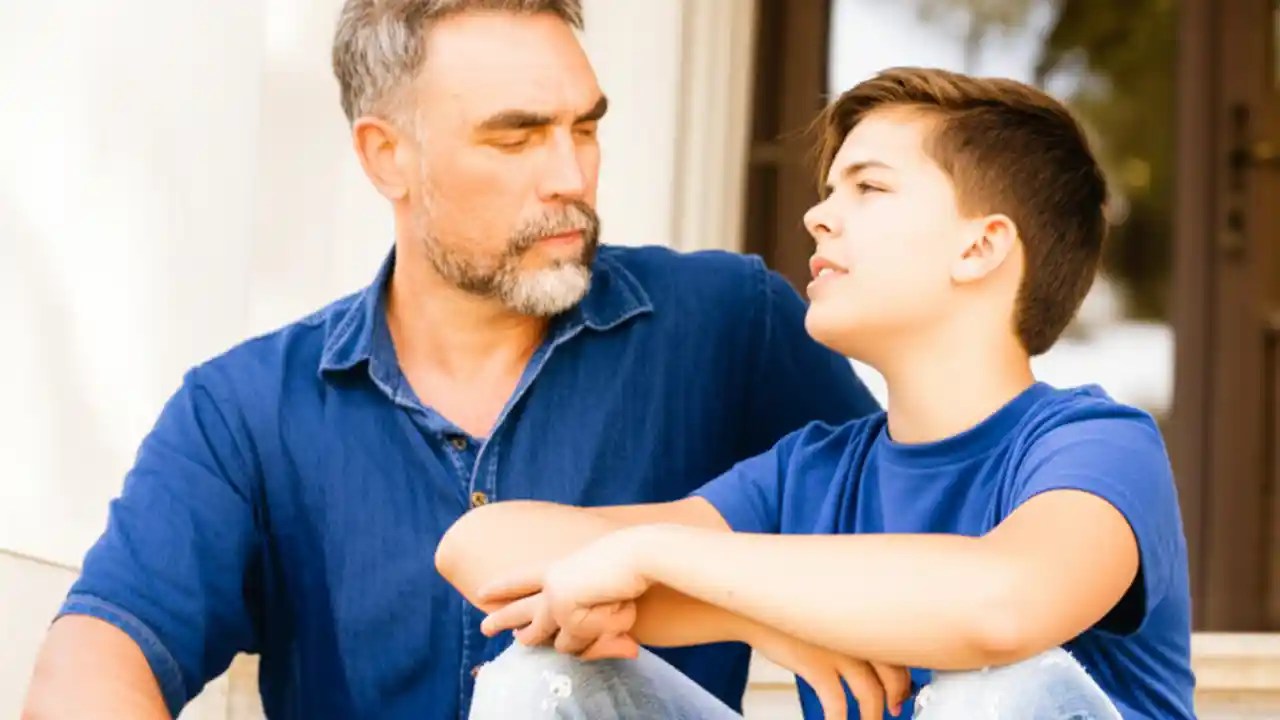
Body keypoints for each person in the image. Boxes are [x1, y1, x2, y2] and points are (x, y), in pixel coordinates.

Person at [20, 2, 880, 718]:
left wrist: (761, 597)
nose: (570, 174)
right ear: (385, 156)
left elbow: (933, 535)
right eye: (517, 138)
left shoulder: (730, 325)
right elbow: (93, 664)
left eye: (584, 127)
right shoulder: (244, 409)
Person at [437, 67, 1197, 719]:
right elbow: (479, 545)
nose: (817, 215)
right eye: (830, 190)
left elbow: (1003, 607)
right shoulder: (813, 474)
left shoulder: (1097, 444)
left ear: (981, 247)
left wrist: (653, 553)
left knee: (986, 693)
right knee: (545, 678)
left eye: (868, 187)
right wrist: (775, 623)